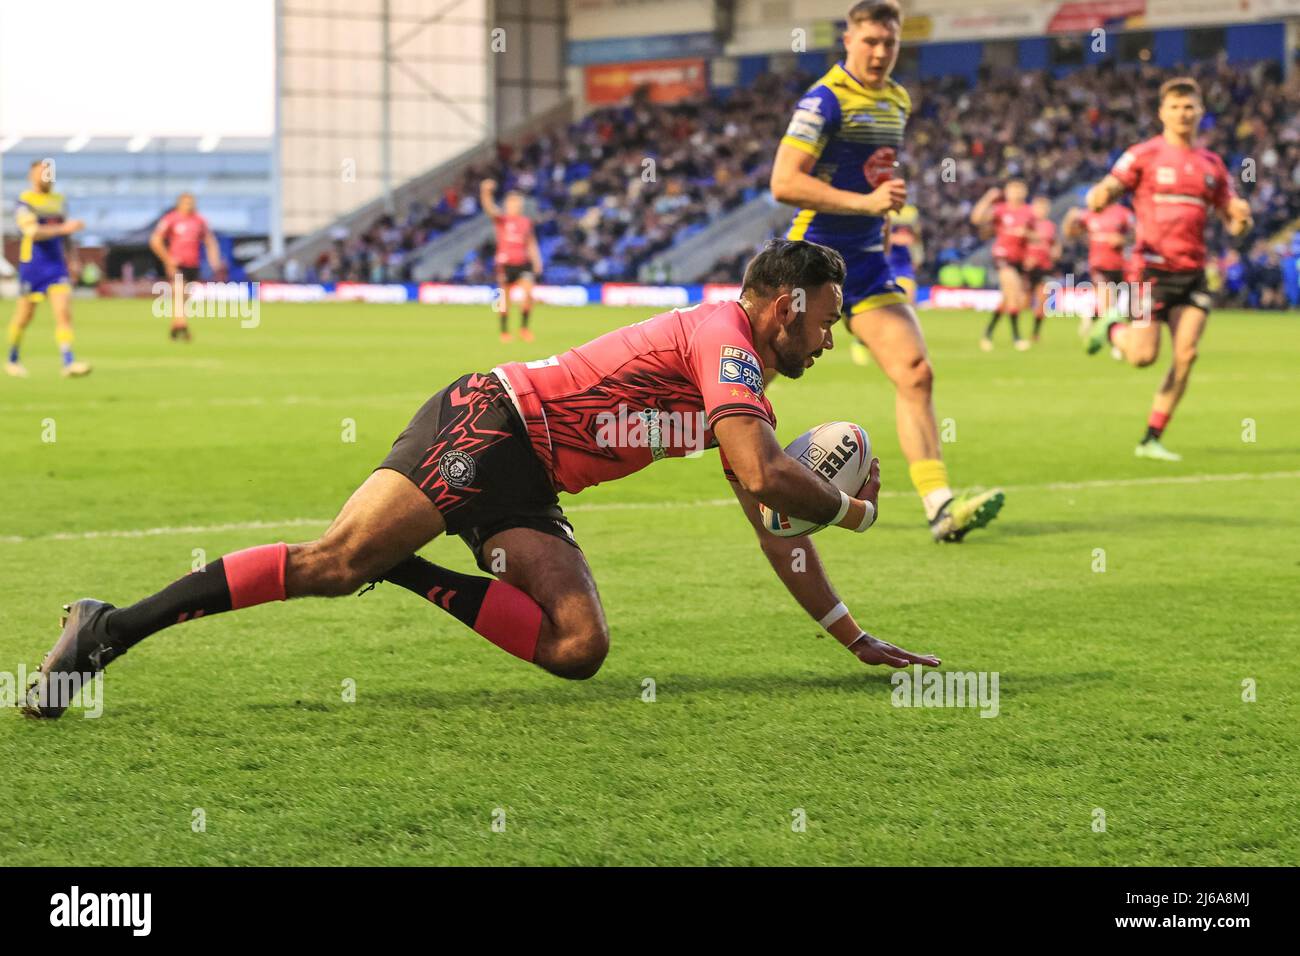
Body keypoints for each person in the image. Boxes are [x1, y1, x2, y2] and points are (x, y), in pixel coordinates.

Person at [24, 239, 941, 720]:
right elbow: (768, 478)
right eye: (825, 321)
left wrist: (851, 636)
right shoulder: (723, 344)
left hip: (526, 476)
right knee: (335, 561)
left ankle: (408, 567)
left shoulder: (745, 387)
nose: (830, 339)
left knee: (578, 646)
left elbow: (769, 513)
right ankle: (108, 628)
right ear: (786, 306)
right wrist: (856, 511)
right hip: (489, 420)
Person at [769, 0, 1004, 543]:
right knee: (760, 372)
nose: (879, 52)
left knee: (916, 372)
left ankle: (941, 507)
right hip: (811, 258)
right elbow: (784, 182)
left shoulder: (897, 99)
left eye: (889, 43)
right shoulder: (824, 99)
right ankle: (700, 441)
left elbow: (873, 180)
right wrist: (867, 202)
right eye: (870, 41)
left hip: (868, 267)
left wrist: (878, 209)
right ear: (847, 40)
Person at [1084, 77, 1253, 462]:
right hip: (1149, 273)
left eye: (1190, 106)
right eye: (1175, 107)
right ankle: (1112, 327)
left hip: (1192, 272)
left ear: (1200, 112)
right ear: (1162, 112)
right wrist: (1100, 195)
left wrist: (1242, 220)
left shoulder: (1211, 164)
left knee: (1187, 354)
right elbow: (1109, 186)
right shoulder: (1143, 154)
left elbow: (1233, 218)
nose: (1183, 113)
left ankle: (1151, 437)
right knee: (1142, 357)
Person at [5, 160, 91, 379]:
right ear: (31, 177)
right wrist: (64, 228)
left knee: (63, 312)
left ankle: (68, 362)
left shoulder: (59, 201)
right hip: (32, 265)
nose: (44, 177)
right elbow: (32, 232)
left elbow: (66, 236)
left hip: (56, 265)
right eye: (40, 173)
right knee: (25, 316)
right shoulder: (25, 201)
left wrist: (73, 259)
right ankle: (12, 358)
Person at [149, 193, 225, 342]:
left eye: (191, 203)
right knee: (178, 291)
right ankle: (182, 324)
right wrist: (167, 259)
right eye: (186, 203)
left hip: (193, 264)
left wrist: (214, 260)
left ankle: (175, 325)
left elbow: (210, 241)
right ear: (179, 204)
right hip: (177, 263)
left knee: (185, 296)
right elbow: (155, 240)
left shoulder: (199, 221)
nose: (189, 206)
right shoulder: (171, 219)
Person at [971, 181, 1034, 351]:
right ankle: (1017, 338)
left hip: (1019, 260)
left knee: (1009, 300)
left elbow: (1035, 236)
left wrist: (1026, 235)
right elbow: (976, 218)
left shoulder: (1028, 212)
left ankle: (988, 333)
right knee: (1014, 295)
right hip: (1002, 257)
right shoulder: (1000, 209)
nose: (1016, 193)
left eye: (1019, 189)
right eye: (1012, 190)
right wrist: (988, 198)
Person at [480, 179, 542, 343]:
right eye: (511, 203)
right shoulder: (502, 220)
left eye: (517, 203)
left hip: (522, 264)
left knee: (528, 294)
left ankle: (524, 328)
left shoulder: (525, 222)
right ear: (507, 205)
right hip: (505, 265)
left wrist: (537, 261)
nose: (514, 206)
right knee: (504, 299)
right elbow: (489, 209)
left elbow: (531, 243)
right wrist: (485, 192)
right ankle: (505, 331)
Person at [1063, 199, 1134, 335]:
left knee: (1116, 305)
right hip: (1099, 264)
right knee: (1108, 303)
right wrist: (1069, 219)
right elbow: (1070, 233)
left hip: (1121, 265)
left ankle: (1092, 315)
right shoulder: (1089, 213)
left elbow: (1136, 234)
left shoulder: (1123, 213)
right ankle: (1114, 341)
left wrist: (1123, 239)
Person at [1024, 196, 1060, 343]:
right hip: (1027, 268)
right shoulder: (1027, 224)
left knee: (1042, 302)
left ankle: (1035, 333)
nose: (1041, 211)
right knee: (1023, 302)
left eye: (1044, 208)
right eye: (1039, 207)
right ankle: (1016, 332)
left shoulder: (1050, 226)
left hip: (1044, 268)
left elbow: (1055, 243)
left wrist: (1056, 253)